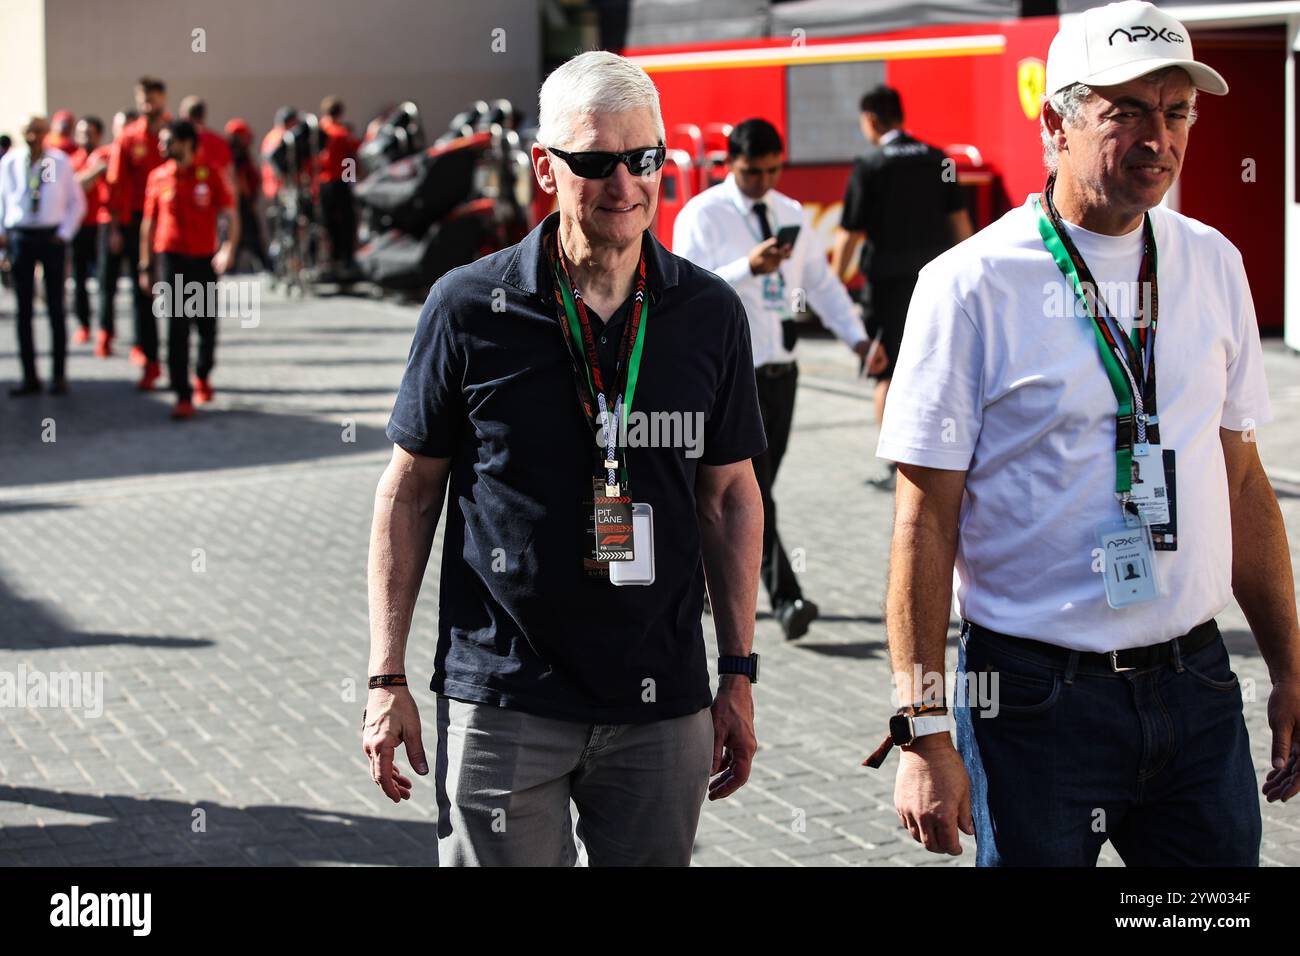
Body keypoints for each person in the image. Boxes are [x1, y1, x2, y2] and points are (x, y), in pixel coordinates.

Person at [872, 0, 1300, 866]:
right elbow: (924, 527)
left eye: (1177, 111)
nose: (1160, 138)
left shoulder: (1213, 261)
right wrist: (922, 732)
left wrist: (1292, 668)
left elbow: (1244, 481)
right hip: (1034, 702)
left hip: (1197, 686)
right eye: (1127, 112)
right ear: (1054, 125)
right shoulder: (969, 286)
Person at [364, 50, 767, 866]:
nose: (625, 184)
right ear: (546, 168)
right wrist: (385, 678)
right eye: (595, 162)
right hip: (506, 697)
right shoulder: (470, 307)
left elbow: (729, 498)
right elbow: (409, 494)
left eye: (644, 157)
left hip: (662, 698)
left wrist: (737, 670)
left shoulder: (709, 313)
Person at [673, 118, 885, 641]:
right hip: (728, 378)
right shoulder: (704, 214)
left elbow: (822, 283)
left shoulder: (790, 213)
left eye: (772, 170)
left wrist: (857, 339)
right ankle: (787, 598)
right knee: (755, 491)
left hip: (781, 373)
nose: (763, 181)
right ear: (730, 164)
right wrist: (747, 266)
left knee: (752, 489)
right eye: (751, 172)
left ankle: (701, 566)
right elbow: (686, 292)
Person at [830, 85, 973, 490]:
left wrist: (835, 286)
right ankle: (943, 459)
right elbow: (960, 224)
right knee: (939, 370)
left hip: (888, 285)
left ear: (871, 120)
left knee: (887, 373)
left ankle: (897, 468)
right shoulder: (937, 158)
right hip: (937, 282)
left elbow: (849, 234)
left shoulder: (870, 164)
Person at [139, 119, 238, 419]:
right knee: (176, 326)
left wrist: (228, 249)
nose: (161, 146)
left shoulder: (210, 173)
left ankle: (203, 374)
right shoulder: (158, 177)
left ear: (186, 143)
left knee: (206, 325)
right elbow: (148, 224)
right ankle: (182, 394)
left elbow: (231, 214)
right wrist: (146, 264)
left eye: (167, 141)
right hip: (172, 260)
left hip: (203, 259)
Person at [0, 115, 86, 394]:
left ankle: (58, 375)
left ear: (46, 132)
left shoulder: (59, 162)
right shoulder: (10, 162)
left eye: (38, 131)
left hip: (51, 238)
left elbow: (76, 203)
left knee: (55, 307)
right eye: (29, 132)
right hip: (21, 237)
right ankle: (29, 376)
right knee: (23, 309)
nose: (34, 137)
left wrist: (63, 234)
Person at [107, 76, 169, 388]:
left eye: (154, 97)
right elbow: (116, 184)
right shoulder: (129, 138)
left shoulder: (176, 134)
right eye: (143, 97)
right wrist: (116, 227)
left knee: (178, 295)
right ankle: (149, 360)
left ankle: (179, 363)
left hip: (172, 223)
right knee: (142, 291)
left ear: (163, 99)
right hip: (137, 224)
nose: (149, 103)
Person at [87, 110, 137, 358]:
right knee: (107, 282)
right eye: (121, 127)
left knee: (142, 286)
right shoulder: (104, 154)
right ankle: (105, 333)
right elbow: (81, 182)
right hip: (109, 222)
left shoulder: (142, 155)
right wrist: (99, 169)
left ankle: (142, 342)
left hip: (136, 223)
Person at [67, 116, 105, 346]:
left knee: (103, 280)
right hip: (78, 226)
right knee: (79, 279)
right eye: (81, 133)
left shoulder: (106, 156)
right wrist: (93, 173)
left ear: (99, 135)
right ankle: (83, 325)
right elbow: (75, 185)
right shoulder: (71, 160)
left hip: (101, 225)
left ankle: (104, 327)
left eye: (89, 133)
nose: (85, 137)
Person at [317, 96, 360, 275]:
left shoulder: (318, 130)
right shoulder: (341, 133)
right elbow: (349, 158)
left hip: (322, 183)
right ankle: (345, 260)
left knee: (327, 223)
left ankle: (330, 260)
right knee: (346, 222)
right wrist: (350, 180)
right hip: (339, 182)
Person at [225, 119, 270, 272]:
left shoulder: (243, 156)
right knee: (237, 239)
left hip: (244, 204)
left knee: (254, 242)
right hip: (237, 205)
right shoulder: (232, 156)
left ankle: (266, 268)